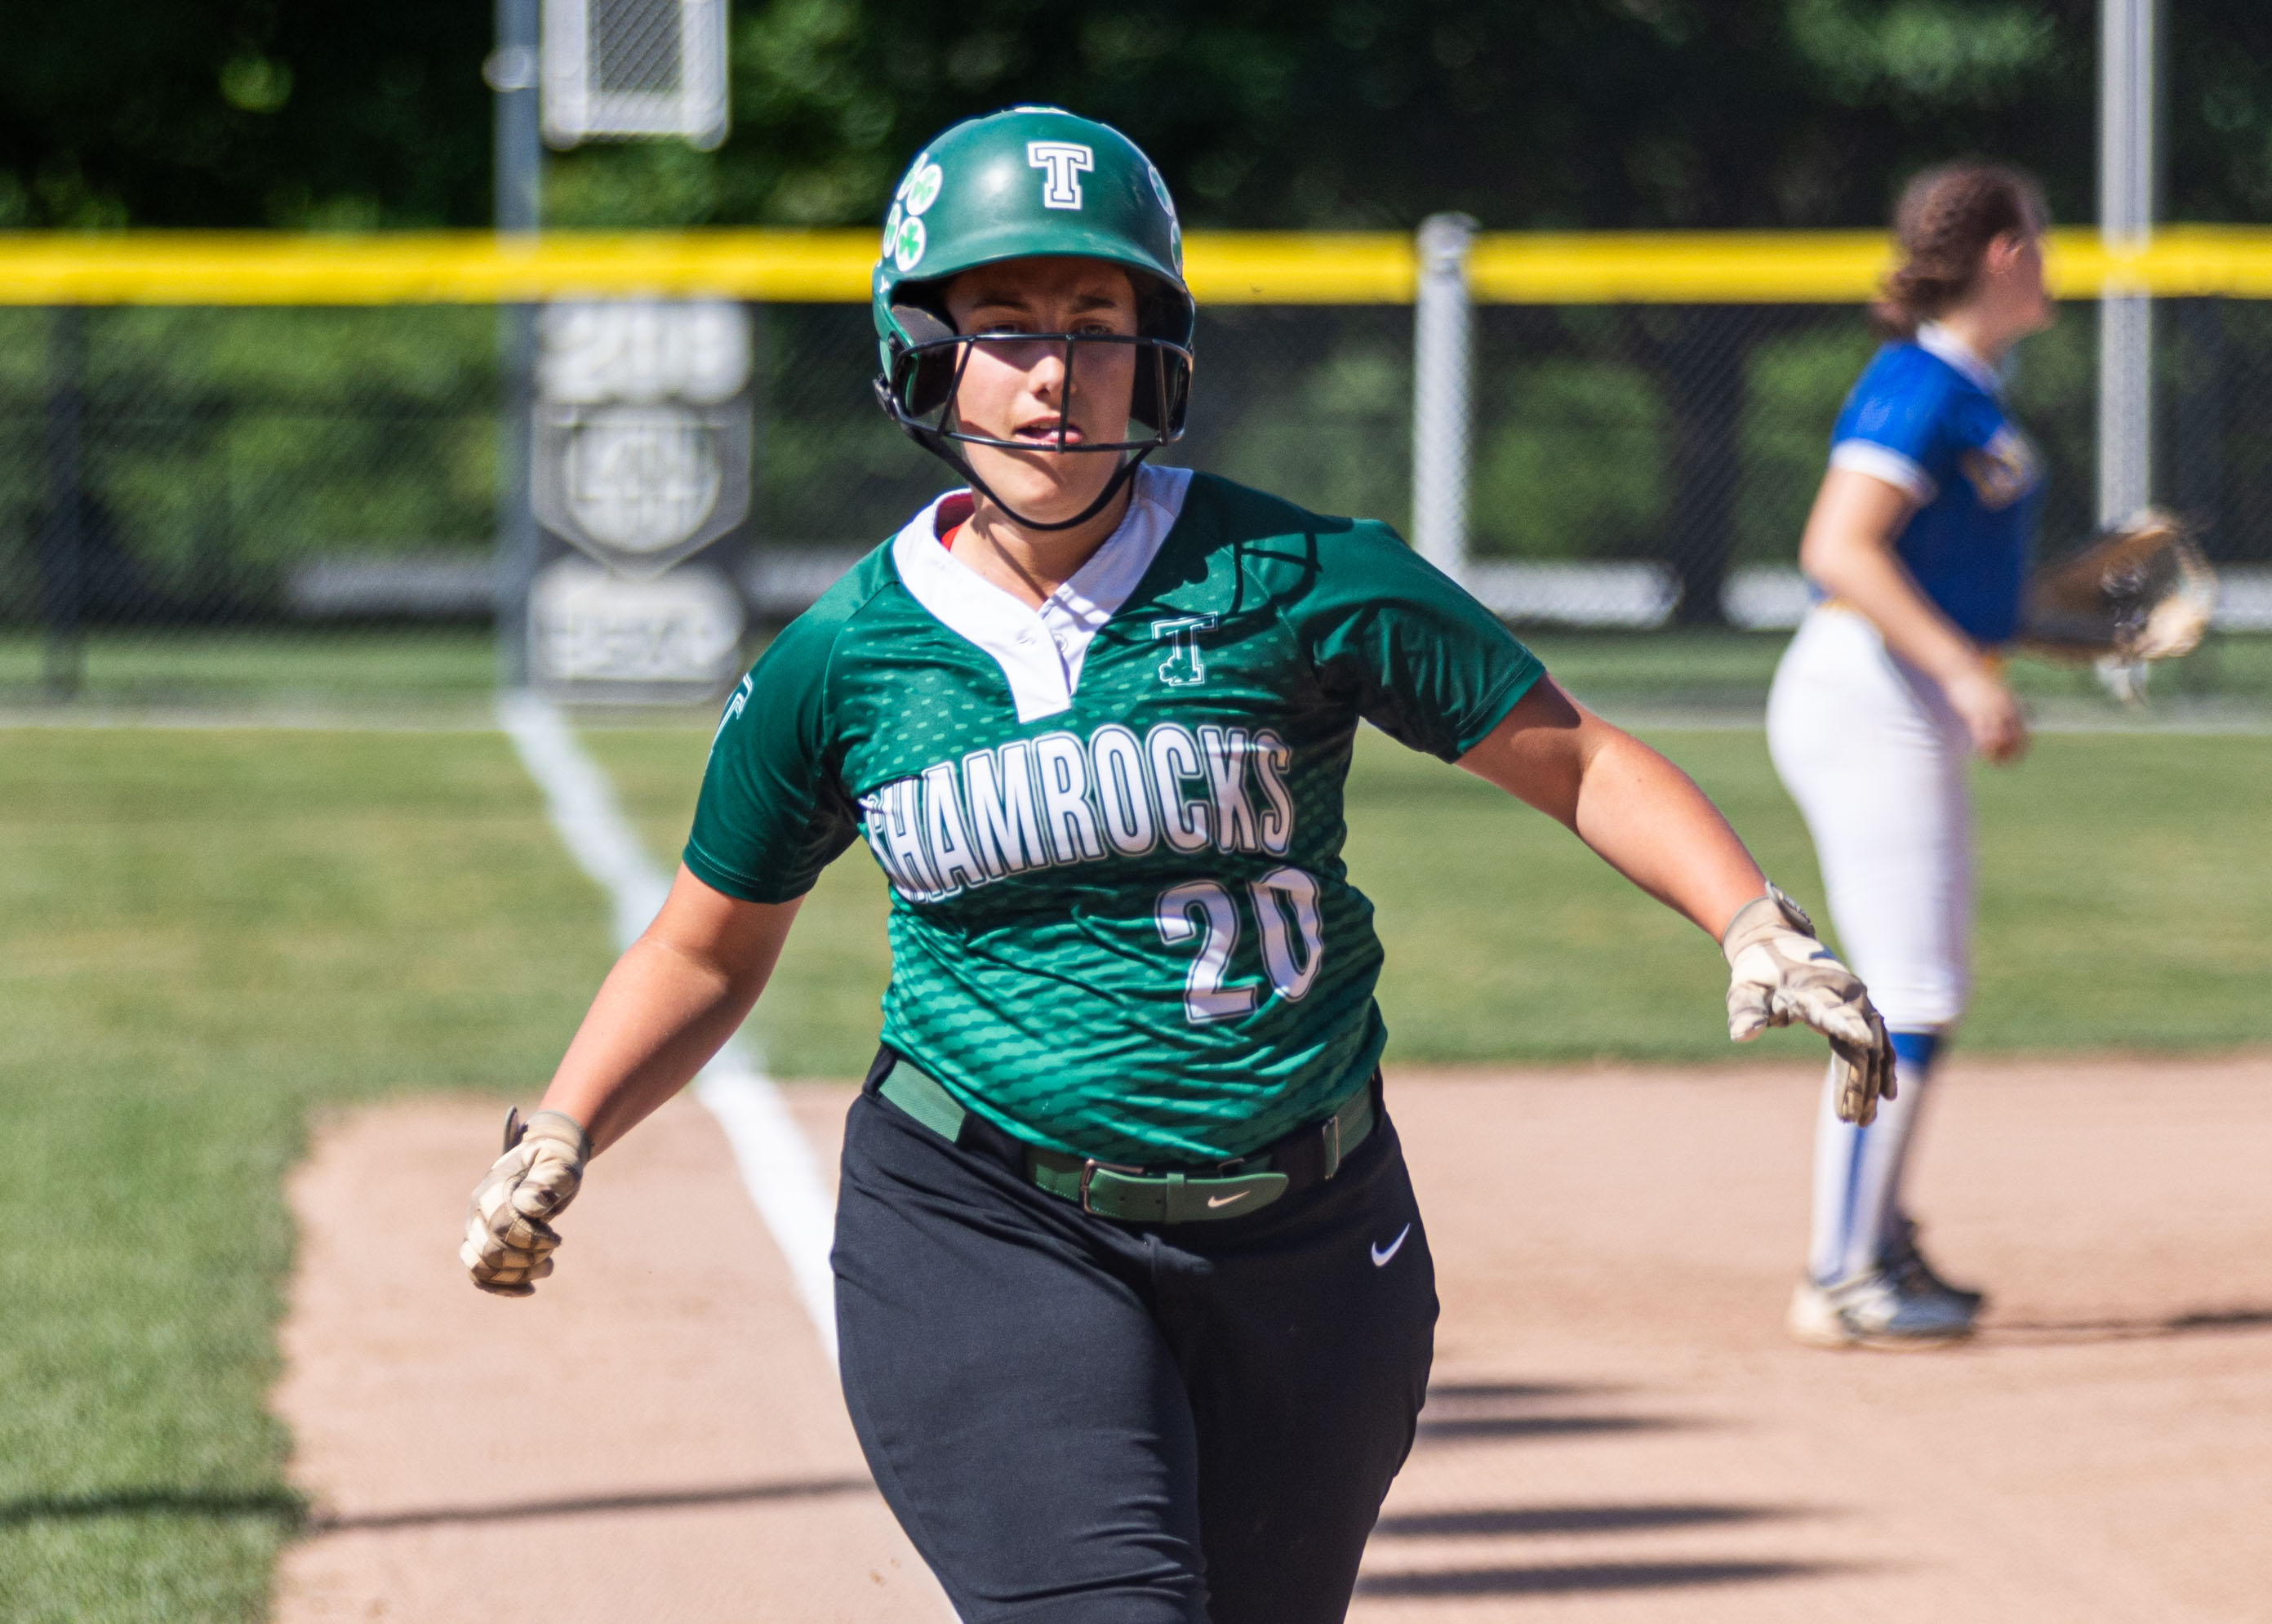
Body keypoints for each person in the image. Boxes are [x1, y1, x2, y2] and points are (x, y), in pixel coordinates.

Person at [462, 107, 1894, 1623]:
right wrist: (566, 1124)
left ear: (1159, 354)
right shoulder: (844, 662)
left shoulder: (1296, 575)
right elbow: (704, 943)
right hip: (986, 1216)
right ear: (926, 353)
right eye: (1004, 323)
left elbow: (1580, 757)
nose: (1054, 369)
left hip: (1315, 1235)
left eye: (1099, 322)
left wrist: (1753, 919)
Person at [1768, 161, 2056, 1350]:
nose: (2050, 256)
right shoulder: (1921, 382)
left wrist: (2061, 627)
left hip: (1898, 689)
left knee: (1919, 983)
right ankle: (1841, 1272)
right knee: (1911, 990)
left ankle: (1872, 1235)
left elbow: (1945, 571)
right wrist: (1962, 667)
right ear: (1999, 252)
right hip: (1870, 690)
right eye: (2037, 236)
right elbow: (1840, 545)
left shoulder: (1965, 385)